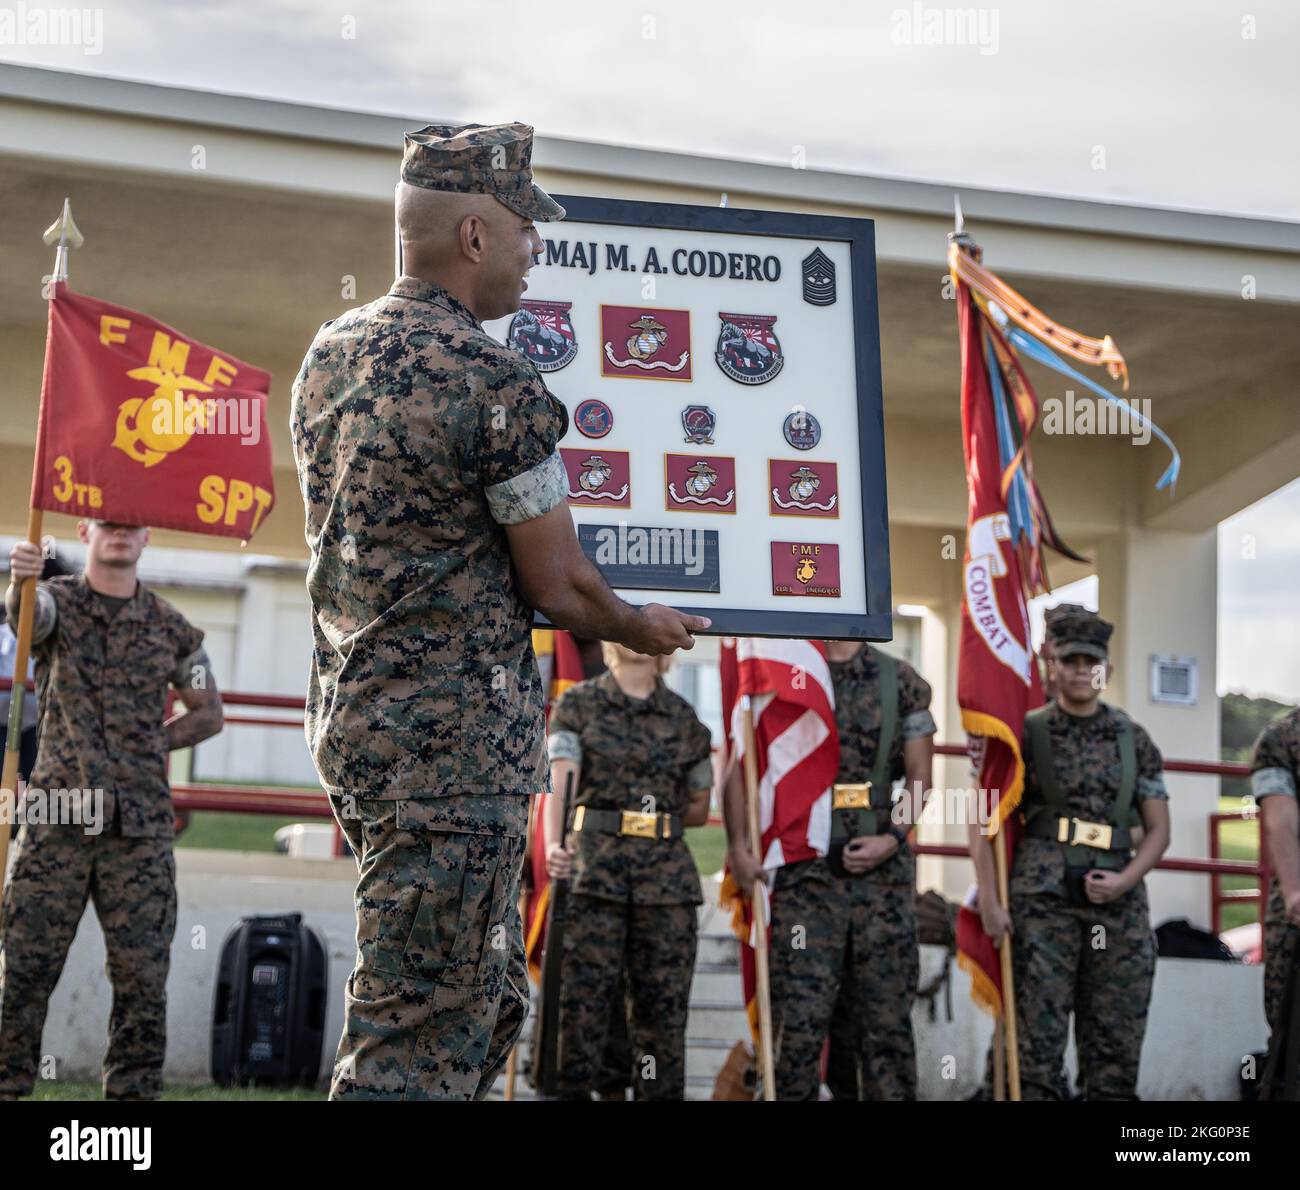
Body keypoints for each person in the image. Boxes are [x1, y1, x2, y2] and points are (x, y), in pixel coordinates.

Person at [290, 122, 707, 1101]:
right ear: (475, 233)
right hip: (450, 747)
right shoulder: (492, 380)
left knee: (480, 997)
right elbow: (558, 583)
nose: (537, 249)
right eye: (527, 227)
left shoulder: (329, 355)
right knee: (421, 1025)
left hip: (361, 726)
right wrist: (643, 626)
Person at [0, 521, 223, 1100]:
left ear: (147, 537)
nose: (120, 533)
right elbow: (28, 617)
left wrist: (154, 741)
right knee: (22, 974)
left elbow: (207, 709)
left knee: (142, 983)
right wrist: (20, 581)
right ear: (86, 531)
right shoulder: (56, 604)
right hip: (57, 825)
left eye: (131, 526)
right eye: (108, 525)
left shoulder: (172, 627)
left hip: (139, 832)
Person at [969, 604, 1170, 1100]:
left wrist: (1126, 880)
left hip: (1117, 909)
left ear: (1108, 670)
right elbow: (982, 819)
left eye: (1091, 662)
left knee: (1115, 1048)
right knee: (1033, 1046)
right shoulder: (1022, 734)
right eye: (1071, 661)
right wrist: (991, 904)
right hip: (1042, 906)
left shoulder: (1134, 738)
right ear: (1051, 667)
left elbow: (1159, 829)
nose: (1082, 671)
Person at [726, 640, 936, 1100]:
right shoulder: (785, 667)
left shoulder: (901, 681)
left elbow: (921, 778)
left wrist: (892, 838)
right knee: (797, 1024)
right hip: (806, 874)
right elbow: (743, 767)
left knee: (884, 1027)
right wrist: (739, 849)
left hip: (882, 880)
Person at [543, 642, 713, 1099]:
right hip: (594, 877)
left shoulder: (685, 717)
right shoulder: (578, 704)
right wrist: (553, 845)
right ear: (609, 639)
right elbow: (559, 782)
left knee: (662, 1016)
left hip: (667, 889)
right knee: (581, 1009)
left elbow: (700, 806)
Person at [1250, 706, 1300, 1048]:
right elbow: (1280, 821)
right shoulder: (1281, 737)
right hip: (1296, 908)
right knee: (1291, 1034)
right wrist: (1295, 892)